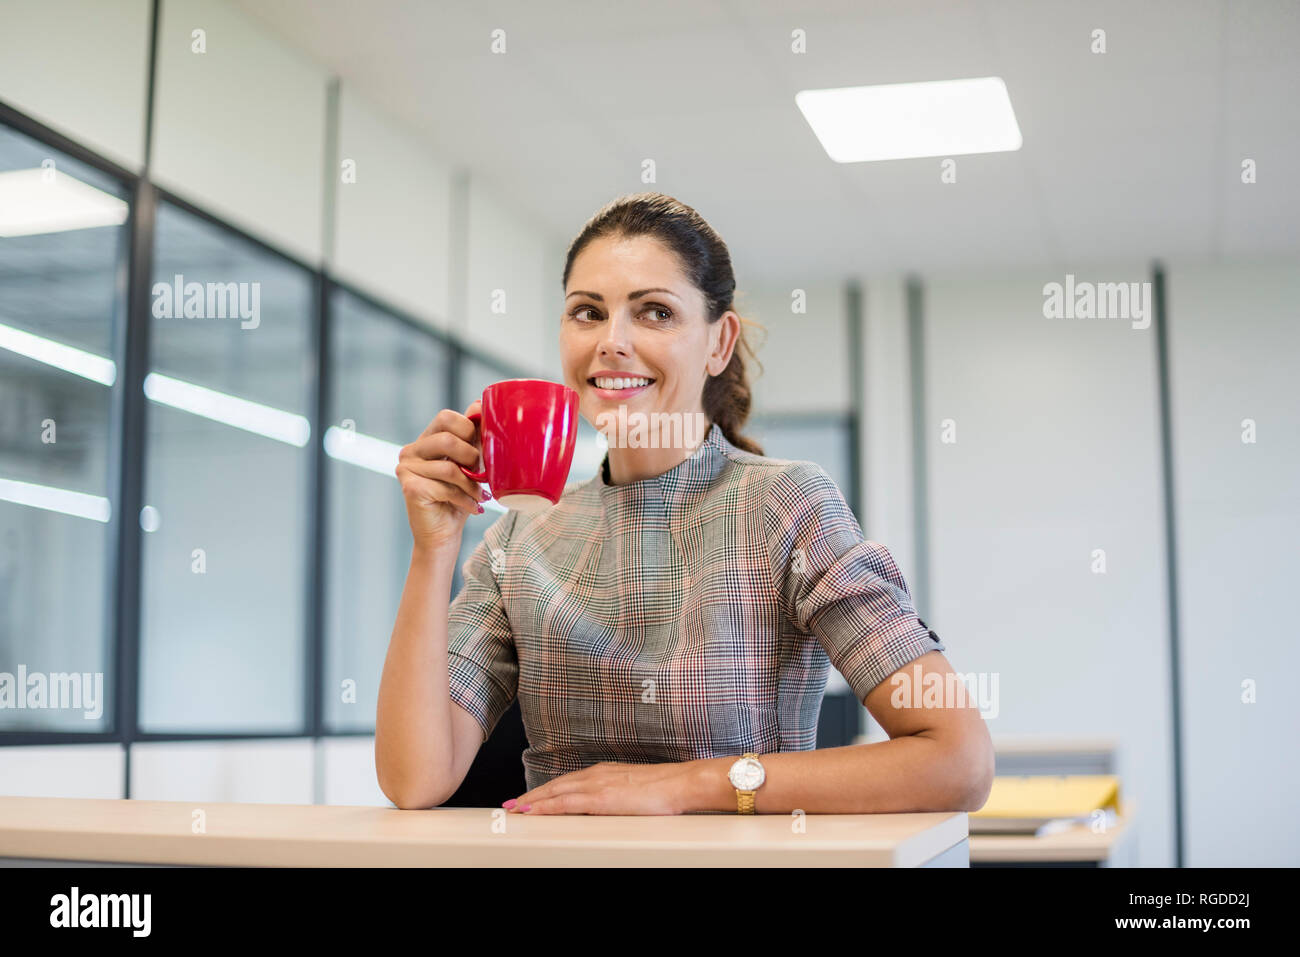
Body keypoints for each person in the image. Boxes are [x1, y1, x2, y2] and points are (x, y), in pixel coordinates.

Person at [377, 192, 993, 815]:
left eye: (654, 313)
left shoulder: (785, 505)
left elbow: (958, 760)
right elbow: (415, 780)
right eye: (587, 312)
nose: (612, 342)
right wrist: (435, 548)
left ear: (718, 342)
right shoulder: (521, 538)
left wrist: (682, 786)